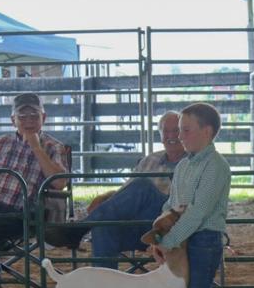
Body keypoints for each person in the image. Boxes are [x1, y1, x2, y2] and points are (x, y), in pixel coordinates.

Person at [150, 102, 230, 288]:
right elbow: (171, 205)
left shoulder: (216, 166)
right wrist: (159, 236)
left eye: (186, 130)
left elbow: (198, 212)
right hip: (183, 238)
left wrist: (168, 241)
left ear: (206, 131)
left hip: (204, 240)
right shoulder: (184, 165)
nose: (178, 136)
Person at [43, 112, 185, 269]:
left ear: (185, 133)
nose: (171, 135)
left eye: (176, 130)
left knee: (143, 186)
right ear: (161, 135)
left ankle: (79, 229)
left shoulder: (194, 162)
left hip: (173, 224)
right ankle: (104, 281)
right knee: (104, 225)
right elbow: (127, 191)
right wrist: (106, 198)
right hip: (142, 226)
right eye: (166, 131)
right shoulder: (149, 160)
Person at [0, 93, 69, 288]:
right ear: (13, 120)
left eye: (34, 116)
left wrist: (36, 147)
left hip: (22, 212)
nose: (28, 120)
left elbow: (59, 183)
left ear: (43, 118)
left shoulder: (53, 146)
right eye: (22, 116)